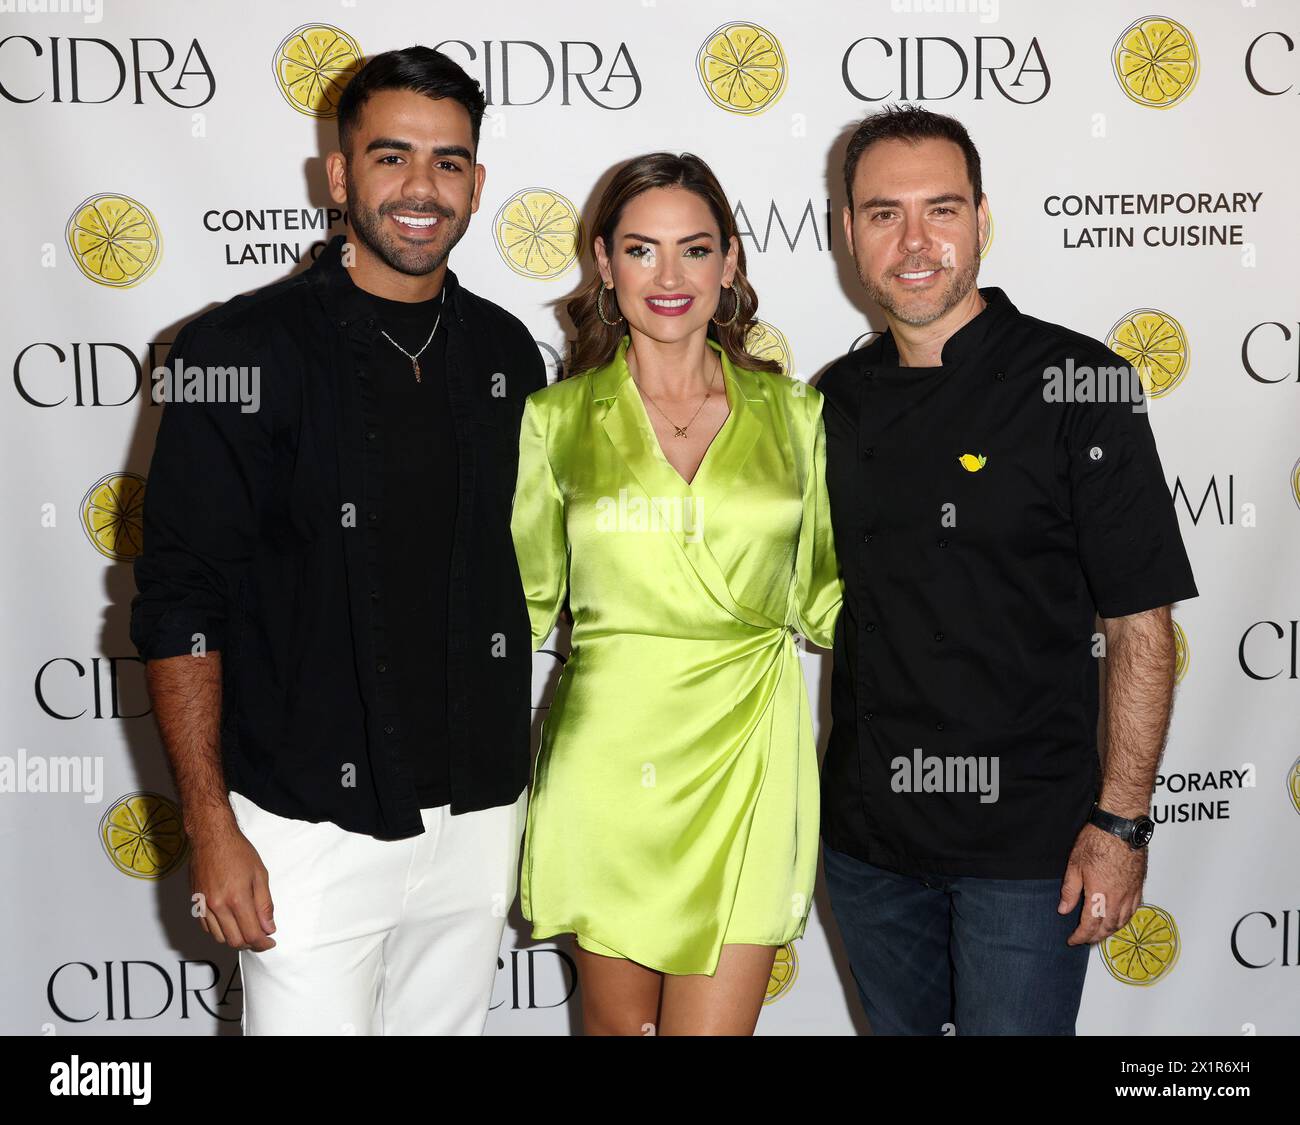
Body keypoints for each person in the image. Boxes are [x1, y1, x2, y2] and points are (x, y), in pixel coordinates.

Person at [129, 47, 545, 1035]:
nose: (420, 187)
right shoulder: (231, 351)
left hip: (480, 818)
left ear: (478, 186)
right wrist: (212, 822)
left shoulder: (504, 353)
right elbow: (178, 600)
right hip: (302, 826)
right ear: (340, 175)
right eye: (391, 156)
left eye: (448, 163)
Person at [817, 104, 1198, 1035]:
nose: (914, 242)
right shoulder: (831, 401)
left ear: (983, 221)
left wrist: (1121, 826)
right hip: (868, 846)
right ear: (847, 232)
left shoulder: (1083, 384)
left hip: (1030, 850)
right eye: (883, 214)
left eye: (941, 211)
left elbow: (1139, 626)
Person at [508, 152, 842, 1035]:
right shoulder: (558, 420)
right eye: (641, 250)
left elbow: (828, 599)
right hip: (610, 763)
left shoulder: (796, 415)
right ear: (603, 262)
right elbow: (523, 607)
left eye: (693, 250)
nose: (668, 277)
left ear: (729, 262)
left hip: (750, 756)